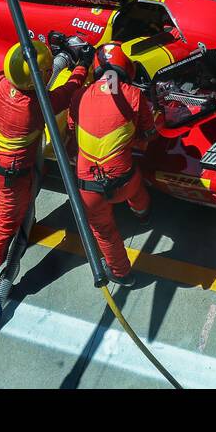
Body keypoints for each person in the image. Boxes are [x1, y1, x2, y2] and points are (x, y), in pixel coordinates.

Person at [0, 35, 92, 297]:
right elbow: (68, 91)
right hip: (12, 174)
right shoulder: (35, 107)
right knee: (3, 227)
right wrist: (82, 64)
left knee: (19, 204)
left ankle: (25, 219)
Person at [68, 43, 157, 287]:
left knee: (106, 233)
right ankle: (144, 215)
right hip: (125, 182)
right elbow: (149, 133)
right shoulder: (134, 95)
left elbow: (71, 129)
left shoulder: (79, 96)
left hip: (90, 190)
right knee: (137, 189)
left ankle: (121, 274)